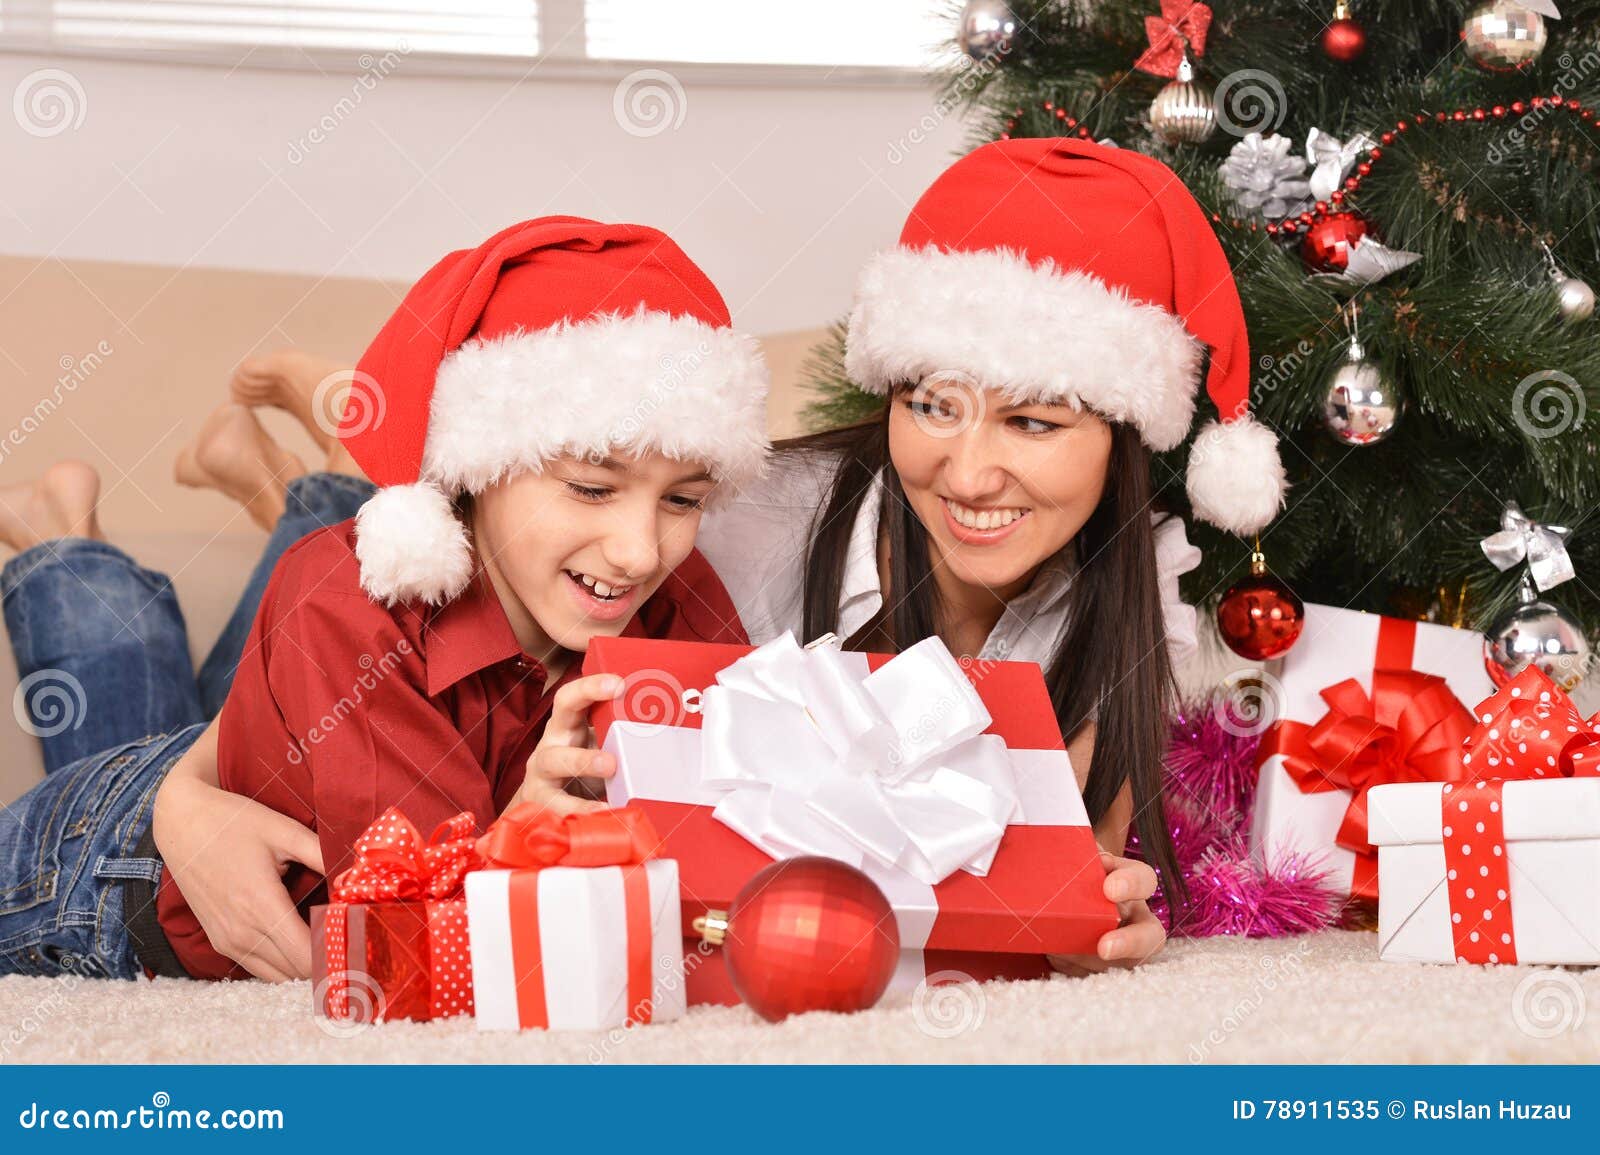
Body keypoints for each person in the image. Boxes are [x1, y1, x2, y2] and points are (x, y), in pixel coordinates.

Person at [0, 215, 770, 983]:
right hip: (96, 867)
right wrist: (515, 843)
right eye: (591, 488)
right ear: (480, 463)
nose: (641, 551)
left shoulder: (679, 590)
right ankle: (68, 543)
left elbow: (733, 846)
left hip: (248, 757)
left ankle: (85, 525)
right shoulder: (348, 607)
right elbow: (418, 954)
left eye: (683, 501)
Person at [693, 138, 1288, 974]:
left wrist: (1101, 908)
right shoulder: (750, 526)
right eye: (932, 405)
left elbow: (1080, 870)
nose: (968, 475)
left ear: (1121, 444)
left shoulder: (1132, 573)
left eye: (1033, 423)